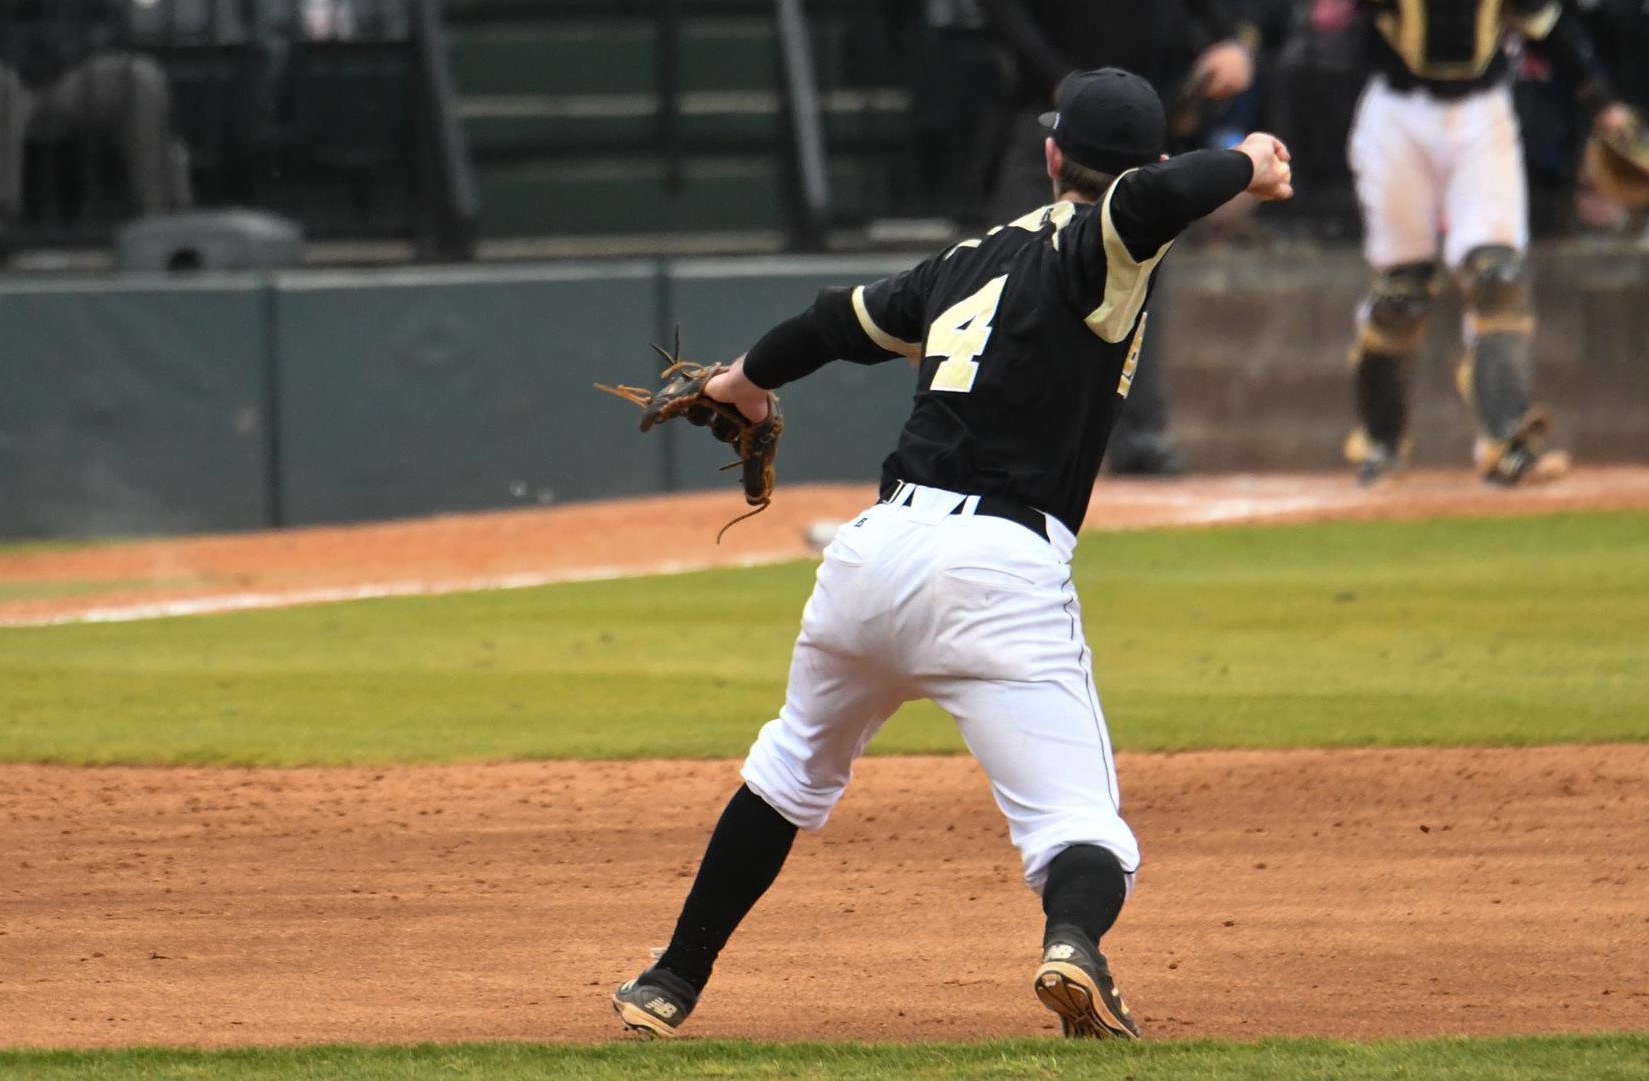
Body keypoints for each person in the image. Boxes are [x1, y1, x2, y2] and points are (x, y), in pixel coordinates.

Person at [609, 69, 1294, 1041]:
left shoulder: (967, 261)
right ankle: (1071, 947)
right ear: (1136, 167)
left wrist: (739, 383)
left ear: (1050, 154)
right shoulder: (1102, 244)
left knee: (786, 775)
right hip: (996, 571)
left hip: (872, 554)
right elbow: (1154, 197)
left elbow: (828, 322)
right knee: (1080, 830)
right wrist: (1247, 160)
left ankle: (669, 979)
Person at [1343, 0, 1632, 486]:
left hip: (1480, 114)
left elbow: (1544, 24)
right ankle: (1381, 442)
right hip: (1396, 114)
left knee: (1499, 275)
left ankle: (1506, 439)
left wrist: (1602, 102)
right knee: (1400, 294)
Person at [976, 0, 1263, 477]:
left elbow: (1227, 20)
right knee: (1012, 274)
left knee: (1134, 273)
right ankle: (996, 435)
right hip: (1046, 115)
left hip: (1136, 118)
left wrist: (1234, 42)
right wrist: (1061, 79)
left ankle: (1138, 438)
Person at [0, 0, 192, 244]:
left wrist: (67, 48)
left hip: (65, 71)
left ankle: (166, 224)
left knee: (140, 78)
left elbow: (113, 23)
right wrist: (7, 50)